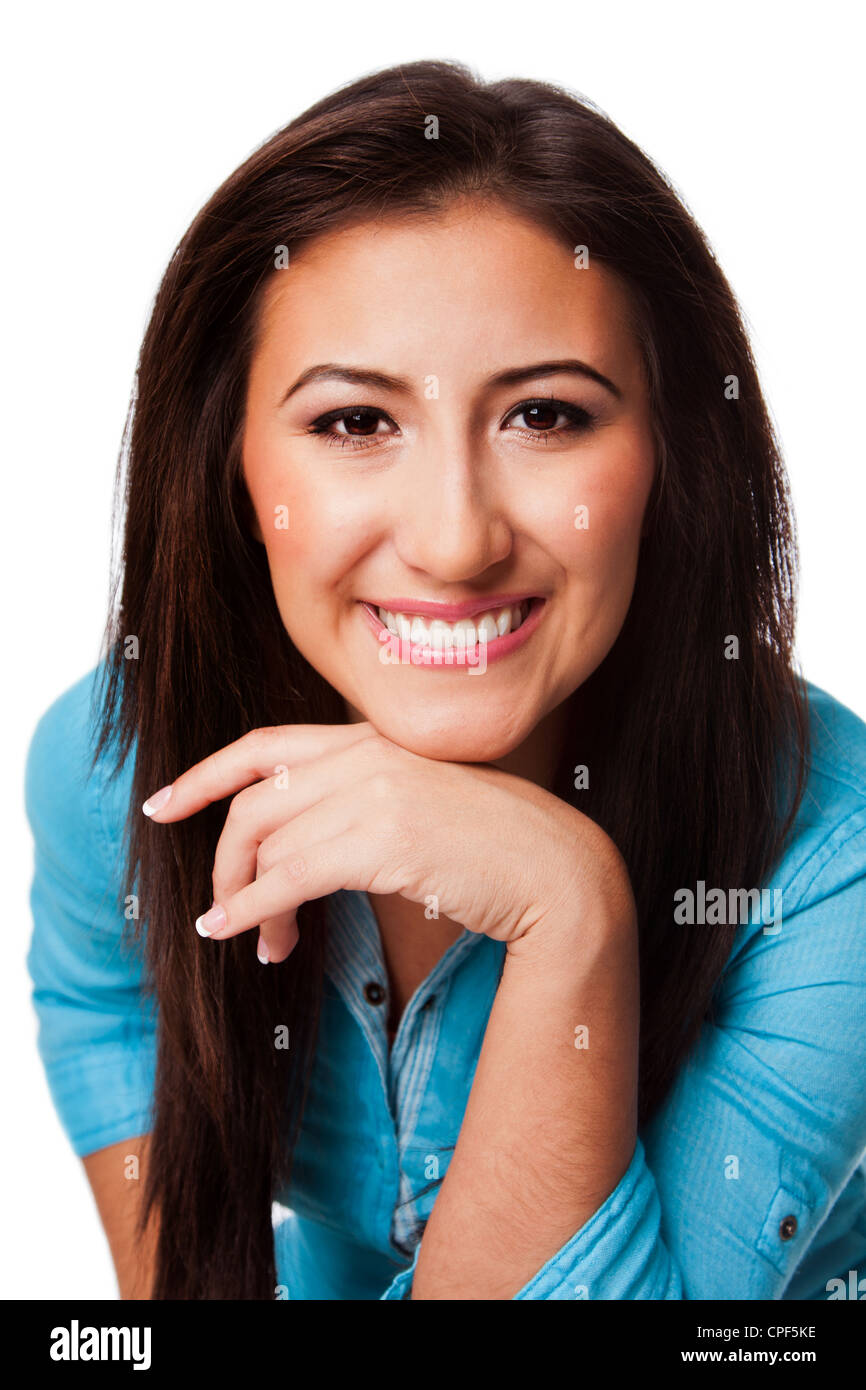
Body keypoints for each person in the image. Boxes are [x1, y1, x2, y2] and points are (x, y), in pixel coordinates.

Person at [24, 59, 866, 1300]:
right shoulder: (120, 767)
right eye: (354, 424)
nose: (456, 539)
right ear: (230, 469)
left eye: (545, 416)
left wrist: (565, 907)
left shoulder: (826, 868)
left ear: (671, 457)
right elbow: (103, 1009)